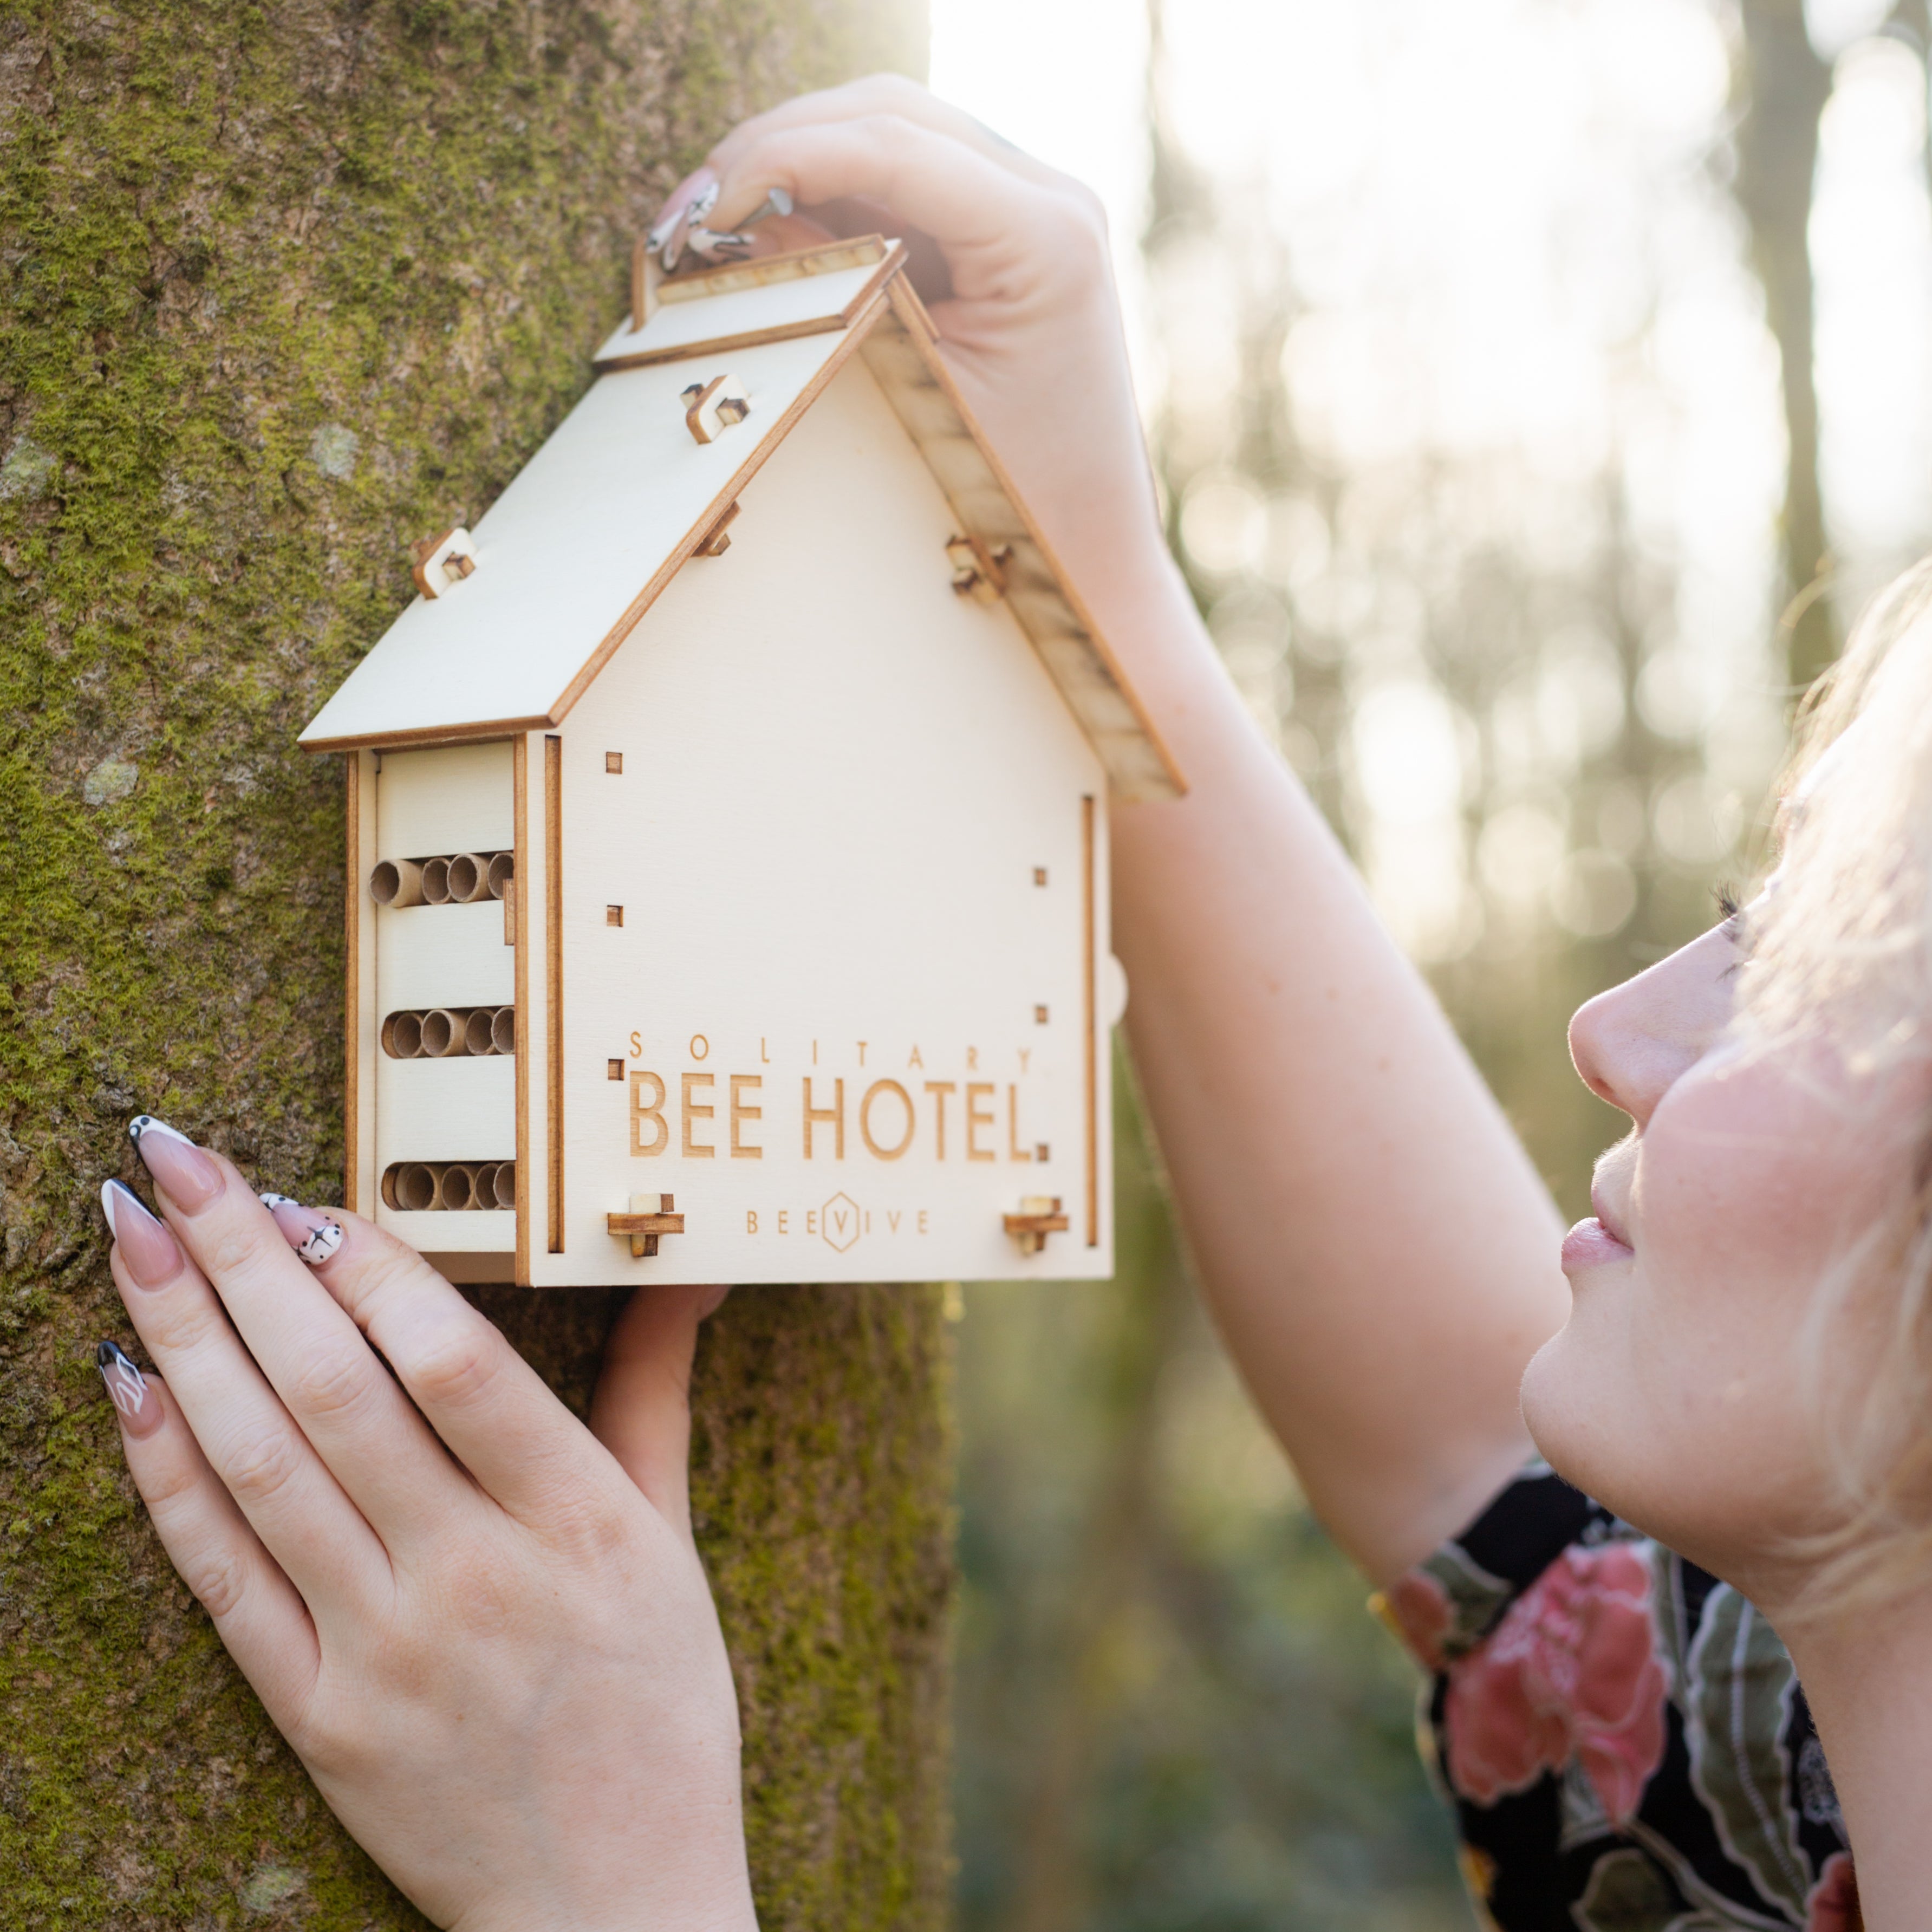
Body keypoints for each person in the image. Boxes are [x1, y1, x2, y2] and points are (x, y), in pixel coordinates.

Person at [89, 75, 1932, 1932]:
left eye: (1809, 965)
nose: (1610, 1031)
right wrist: (1069, 560)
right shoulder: (1778, 1750)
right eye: (1716, 916)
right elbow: (1499, 1506)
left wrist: (618, 1885)